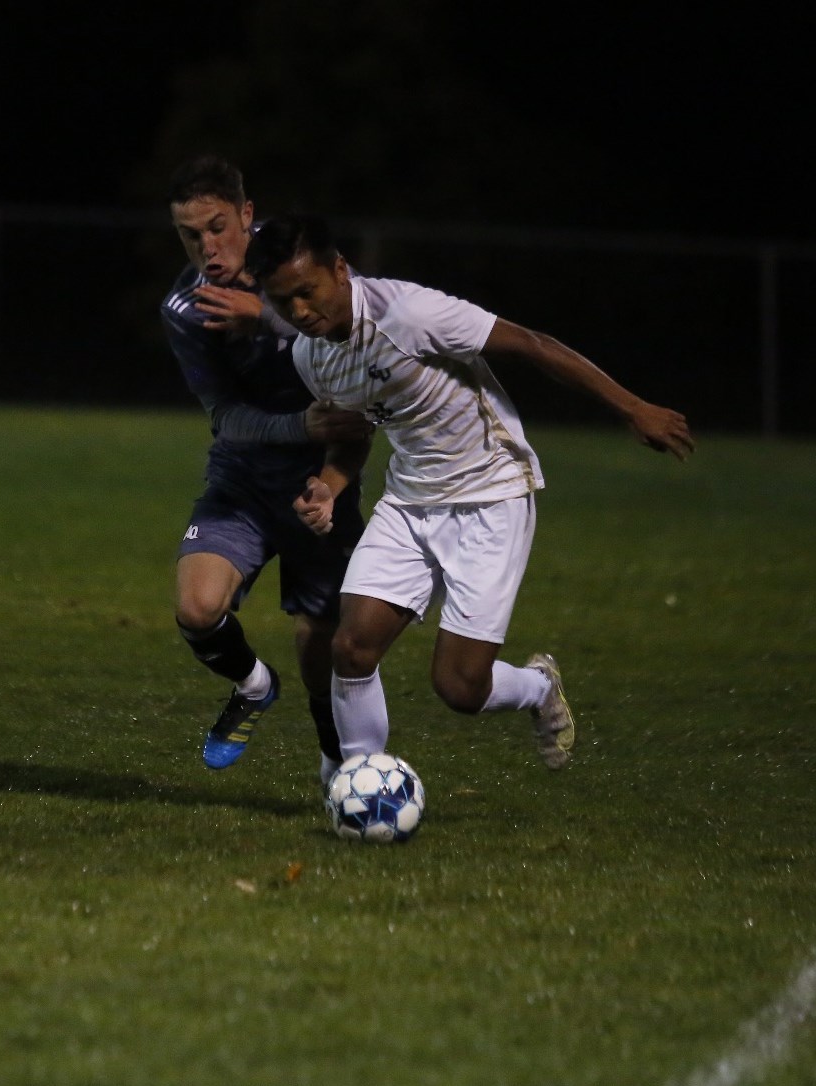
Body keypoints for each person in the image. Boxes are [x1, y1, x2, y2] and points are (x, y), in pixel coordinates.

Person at [243, 213, 695, 770]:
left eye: (307, 293)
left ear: (339, 270)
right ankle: (355, 781)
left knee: (459, 687)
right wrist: (329, 487)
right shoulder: (310, 357)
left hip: (491, 493)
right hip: (410, 500)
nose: (300, 313)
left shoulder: (408, 314)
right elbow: (356, 436)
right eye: (283, 303)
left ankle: (536, 687)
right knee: (351, 649)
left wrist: (633, 408)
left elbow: (533, 344)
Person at [161, 157, 374, 786]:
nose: (208, 247)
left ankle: (339, 768)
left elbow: (357, 324)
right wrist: (298, 425)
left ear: (247, 216)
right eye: (189, 235)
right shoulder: (184, 308)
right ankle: (253, 686)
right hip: (244, 476)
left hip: (322, 475)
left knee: (321, 638)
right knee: (198, 610)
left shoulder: (300, 257)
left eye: (218, 227)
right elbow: (225, 416)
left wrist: (266, 315)